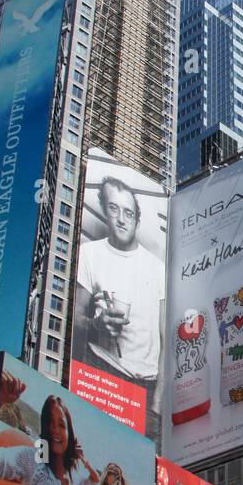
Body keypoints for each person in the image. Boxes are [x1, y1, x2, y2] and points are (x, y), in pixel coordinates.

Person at [73, 175, 164, 422]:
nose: (122, 219)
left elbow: (167, 338)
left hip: (146, 383)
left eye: (129, 212)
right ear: (104, 209)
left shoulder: (157, 268)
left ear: (137, 218)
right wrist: (96, 324)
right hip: (101, 370)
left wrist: (158, 399)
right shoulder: (89, 254)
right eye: (114, 209)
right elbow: (72, 319)